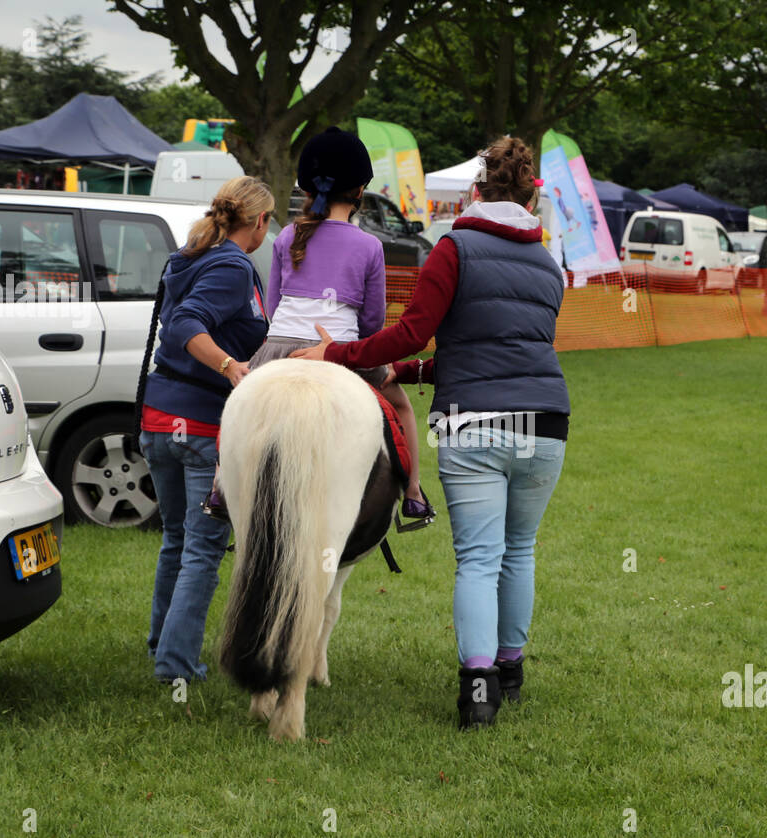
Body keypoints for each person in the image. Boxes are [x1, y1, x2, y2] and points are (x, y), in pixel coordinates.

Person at [291, 136, 570, 730]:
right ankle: (511, 672)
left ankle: (478, 694)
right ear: (528, 198)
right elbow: (504, 350)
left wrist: (335, 353)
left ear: (475, 192)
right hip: (546, 422)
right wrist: (412, 373)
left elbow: (414, 331)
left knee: (476, 558)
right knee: (519, 550)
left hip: (474, 423)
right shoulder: (550, 265)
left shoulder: (455, 247)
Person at [240, 126, 433, 523]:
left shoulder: (286, 236)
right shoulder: (369, 246)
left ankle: (221, 485)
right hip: (340, 352)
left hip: (279, 346)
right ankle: (413, 494)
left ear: (307, 187)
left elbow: (274, 305)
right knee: (402, 408)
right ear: (360, 191)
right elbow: (373, 320)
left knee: (240, 406)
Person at [138, 176, 273, 683]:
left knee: (178, 538)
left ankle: (163, 645)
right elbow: (187, 322)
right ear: (259, 222)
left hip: (160, 419)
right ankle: (176, 665)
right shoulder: (234, 266)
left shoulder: (191, 255)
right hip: (199, 425)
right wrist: (228, 367)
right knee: (203, 545)